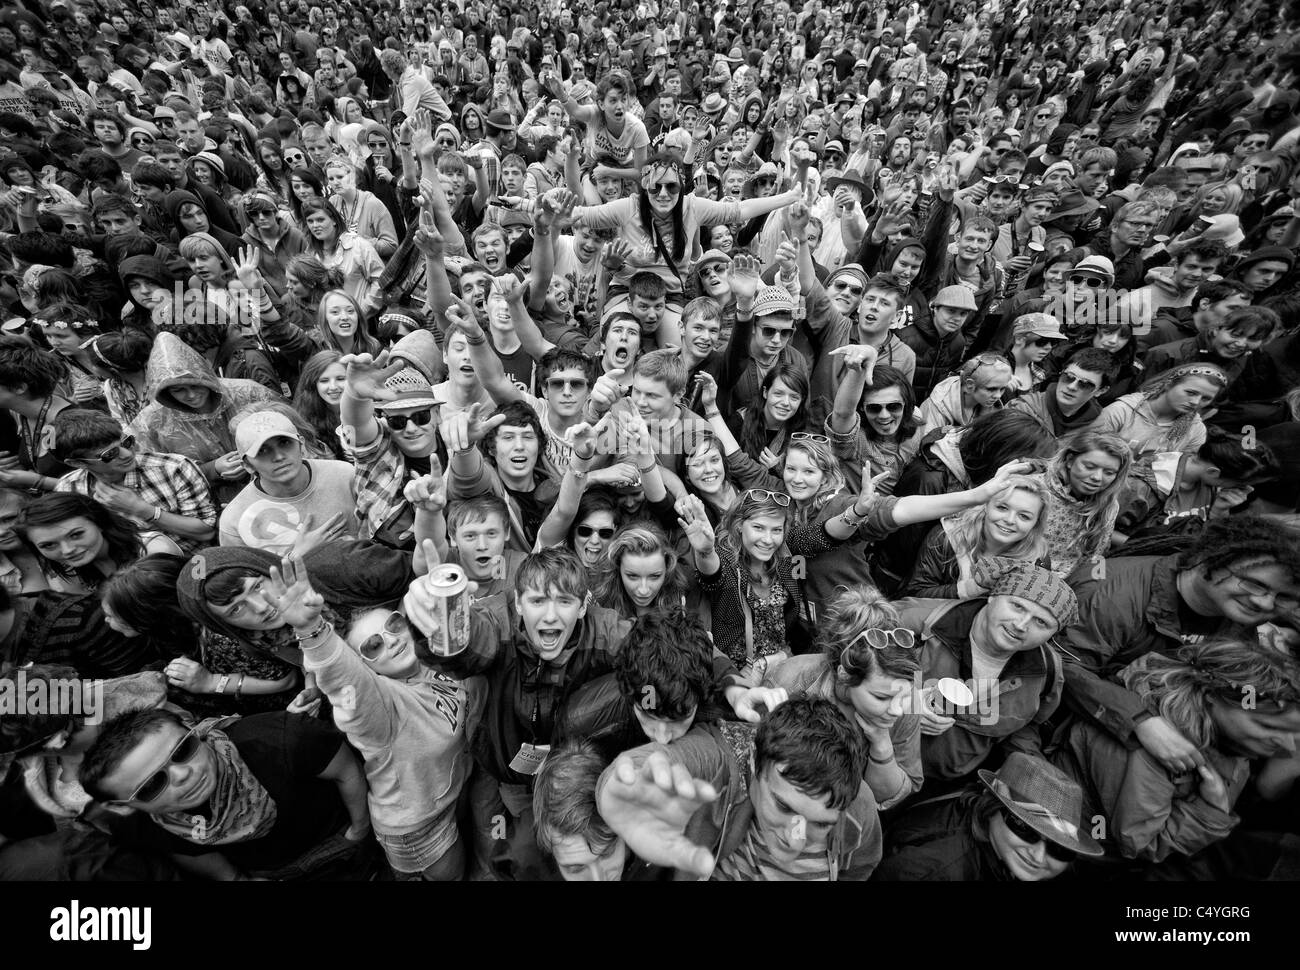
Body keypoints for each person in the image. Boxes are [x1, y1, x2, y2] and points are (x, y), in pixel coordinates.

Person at [259, 554, 482, 881]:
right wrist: (311, 630)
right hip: (418, 825)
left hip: (449, 792)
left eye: (393, 625)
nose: (390, 641)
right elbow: (343, 678)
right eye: (372, 646)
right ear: (367, 667)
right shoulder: (379, 707)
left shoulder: (434, 664)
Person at [1061, 516, 1300, 777]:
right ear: (1211, 560)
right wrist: (1141, 721)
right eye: (1255, 584)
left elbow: (1238, 696)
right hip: (1074, 737)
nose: (1265, 604)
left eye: (1284, 597)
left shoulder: (1239, 619)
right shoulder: (1112, 594)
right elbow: (1062, 667)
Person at [1053, 639, 1300, 867]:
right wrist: (1209, 813)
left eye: (1294, 732)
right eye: (1268, 726)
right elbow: (1140, 847)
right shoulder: (1145, 750)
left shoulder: (1225, 734)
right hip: (1064, 854)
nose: (1289, 747)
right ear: (1210, 694)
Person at [595, 697, 882, 881]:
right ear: (755, 763)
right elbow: (673, 759)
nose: (795, 839)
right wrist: (622, 786)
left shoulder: (857, 807)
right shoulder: (723, 762)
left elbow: (859, 868)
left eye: (820, 825)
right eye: (783, 806)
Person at [78, 707, 377, 881]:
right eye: (153, 785)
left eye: (183, 750)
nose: (183, 774)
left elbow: (347, 771)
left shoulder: (281, 738)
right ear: (119, 806)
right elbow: (186, 851)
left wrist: (358, 830)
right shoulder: (140, 824)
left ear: (194, 731)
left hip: (339, 836)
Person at [897, 561, 1076, 784]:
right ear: (993, 596)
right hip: (876, 762)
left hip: (946, 786)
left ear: (1052, 634)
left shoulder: (1046, 672)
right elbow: (847, 669)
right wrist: (903, 705)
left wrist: (1024, 773)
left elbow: (1027, 727)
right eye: (1017, 606)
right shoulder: (915, 621)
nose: (1021, 625)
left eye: (1041, 622)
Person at [762, 587, 923, 809]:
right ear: (845, 675)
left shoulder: (906, 701)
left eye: (903, 695)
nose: (897, 709)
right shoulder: (790, 680)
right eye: (881, 697)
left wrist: (882, 745)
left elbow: (889, 796)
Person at [876, 752, 1104, 881]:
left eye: (1060, 849)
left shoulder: (992, 846)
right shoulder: (936, 870)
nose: (1038, 855)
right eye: (1024, 828)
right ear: (991, 808)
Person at [218, 410, 360, 556]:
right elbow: (243, 577)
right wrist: (297, 556)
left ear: (302, 445)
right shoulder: (235, 520)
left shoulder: (344, 475)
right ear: (247, 465)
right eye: (262, 450)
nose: (279, 456)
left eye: (285, 443)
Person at [907, 476, 1051, 598]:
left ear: (1035, 524)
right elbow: (916, 593)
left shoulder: (1038, 559)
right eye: (1002, 508)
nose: (1010, 520)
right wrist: (971, 589)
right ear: (986, 506)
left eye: (1024, 516)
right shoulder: (947, 536)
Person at [1036, 431, 1132, 577]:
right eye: (1089, 466)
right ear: (1069, 460)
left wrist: (1094, 585)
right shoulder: (1034, 489)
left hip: (1073, 584)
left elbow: (1098, 555)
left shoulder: (1109, 505)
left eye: (1109, 472)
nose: (1097, 477)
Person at [1090, 363, 1228, 456]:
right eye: (1190, 392)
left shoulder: (1195, 429)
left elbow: (1182, 471)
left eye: (1206, 398)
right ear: (1168, 384)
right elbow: (1089, 451)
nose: (1196, 402)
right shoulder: (1122, 411)